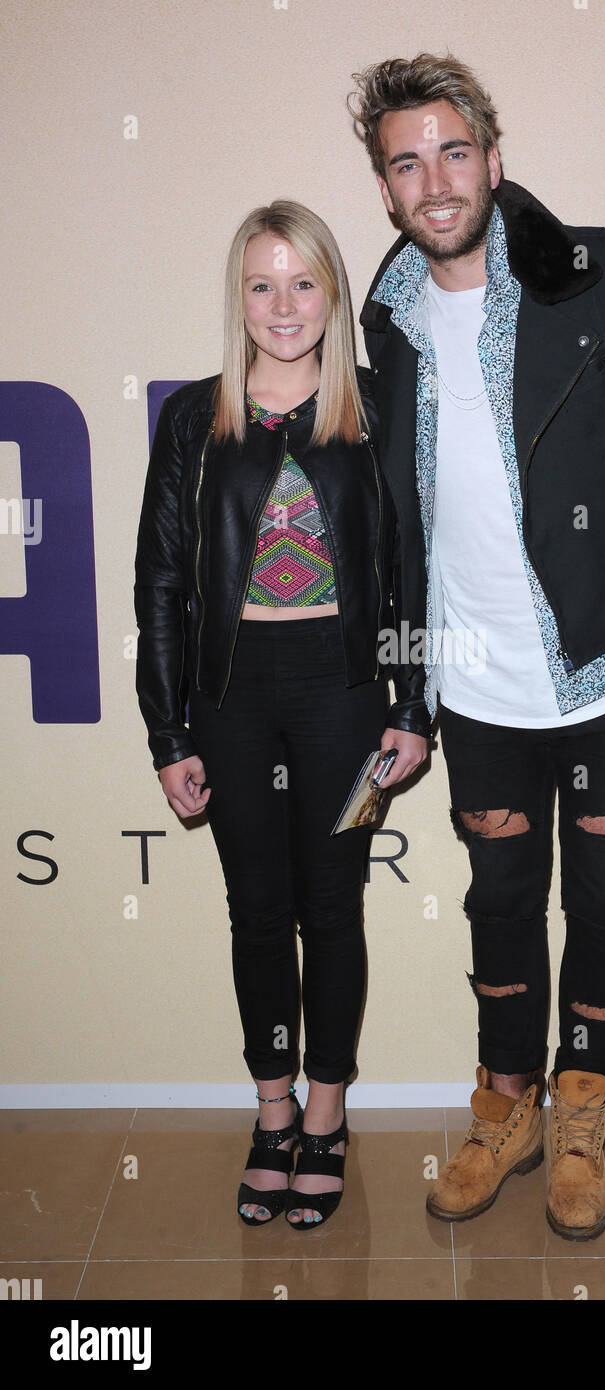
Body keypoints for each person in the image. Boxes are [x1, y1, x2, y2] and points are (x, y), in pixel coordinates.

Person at [347, 54, 605, 1239]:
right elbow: (402, 526)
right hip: (477, 683)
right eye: (407, 162)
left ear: (492, 158)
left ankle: (581, 1110)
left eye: (453, 151)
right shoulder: (389, 322)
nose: (435, 180)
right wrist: (407, 680)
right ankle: (504, 1105)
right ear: (386, 187)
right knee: (500, 903)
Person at [133, 200, 430, 1228]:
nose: (284, 304)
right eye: (262, 285)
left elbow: (413, 569)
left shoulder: (376, 408)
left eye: (303, 282)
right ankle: (272, 1111)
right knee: (256, 910)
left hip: (345, 695)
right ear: (239, 298)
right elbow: (160, 582)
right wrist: (167, 731)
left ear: (331, 293)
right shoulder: (195, 418)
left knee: (333, 908)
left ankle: (328, 1113)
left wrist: (412, 704)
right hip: (230, 698)